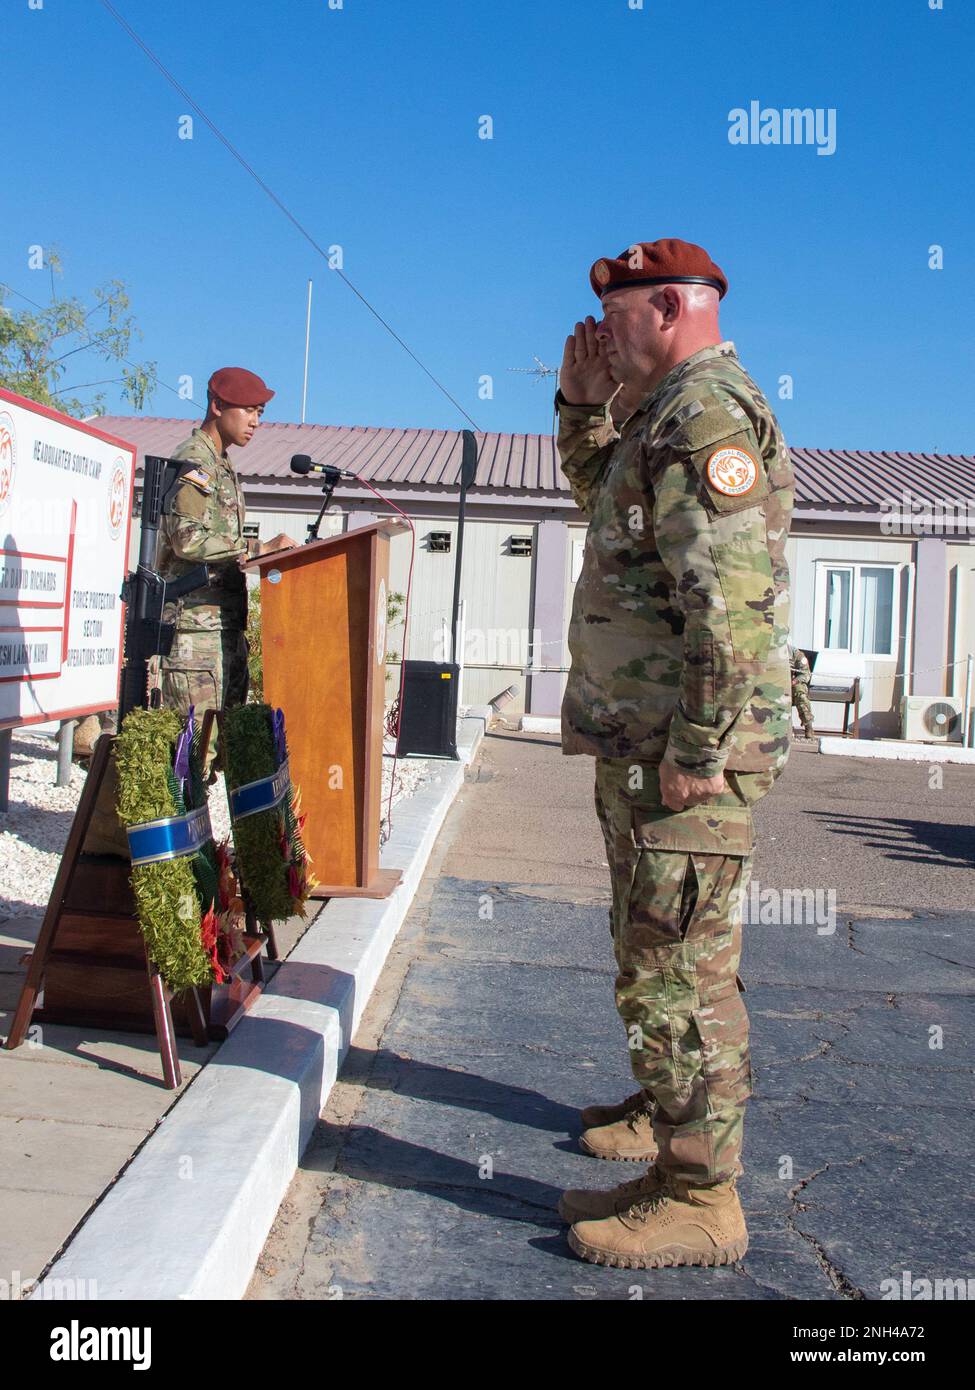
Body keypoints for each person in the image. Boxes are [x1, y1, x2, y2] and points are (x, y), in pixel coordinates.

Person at [554, 238, 794, 1268]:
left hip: (683, 756)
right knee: (658, 957)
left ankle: (704, 1198)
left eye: (616, 315)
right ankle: (673, 1139)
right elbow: (597, 502)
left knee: (679, 971)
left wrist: (697, 746)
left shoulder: (704, 417)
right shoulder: (655, 415)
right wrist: (578, 403)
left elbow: (731, 609)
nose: (601, 331)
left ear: (668, 309)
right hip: (646, 746)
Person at [155, 366, 296, 721]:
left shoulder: (221, 463)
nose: (255, 422)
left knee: (220, 749)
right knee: (191, 753)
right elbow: (186, 538)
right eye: (248, 410)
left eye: (259, 413)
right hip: (195, 634)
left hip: (224, 630)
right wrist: (256, 549)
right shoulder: (196, 460)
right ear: (217, 406)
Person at [790, 644, 815, 738]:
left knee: (800, 692)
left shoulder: (795, 654)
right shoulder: (770, 651)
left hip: (791, 685)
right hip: (774, 684)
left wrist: (794, 681)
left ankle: (808, 726)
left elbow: (805, 674)